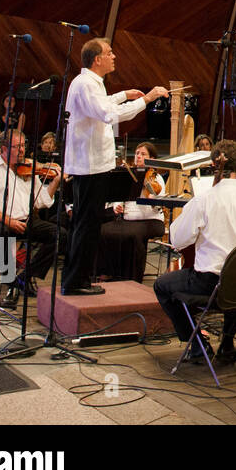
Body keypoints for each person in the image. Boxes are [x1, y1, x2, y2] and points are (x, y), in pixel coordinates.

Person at [62, 38, 167, 296]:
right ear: (97, 59)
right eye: (110, 53)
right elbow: (110, 114)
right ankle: (76, 282)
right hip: (89, 167)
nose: (114, 56)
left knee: (89, 225)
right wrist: (148, 99)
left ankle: (79, 278)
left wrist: (124, 95)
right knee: (86, 226)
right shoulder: (86, 84)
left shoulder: (91, 83)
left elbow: (105, 104)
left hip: (94, 166)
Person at [154, 140, 236, 363]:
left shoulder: (205, 199)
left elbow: (177, 240)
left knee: (161, 285)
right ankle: (227, 342)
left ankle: (197, 345)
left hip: (209, 284)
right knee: (235, 276)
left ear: (212, 166)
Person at [0, 130, 64, 304]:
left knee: (61, 235)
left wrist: (55, 181)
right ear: (3, 149)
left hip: (24, 221)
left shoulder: (27, 170)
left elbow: (42, 202)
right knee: (1, 233)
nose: (22, 150)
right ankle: (11, 285)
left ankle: (23, 278)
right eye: (17, 146)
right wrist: (10, 221)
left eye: (23, 145)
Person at [95, 142, 166, 284]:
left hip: (150, 220)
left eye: (143, 154)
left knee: (133, 234)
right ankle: (108, 272)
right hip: (128, 219)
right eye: (137, 153)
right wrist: (117, 205)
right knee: (102, 231)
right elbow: (117, 196)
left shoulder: (156, 178)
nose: (138, 156)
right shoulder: (128, 175)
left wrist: (152, 197)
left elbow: (159, 204)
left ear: (151, 158)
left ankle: (132, 278)